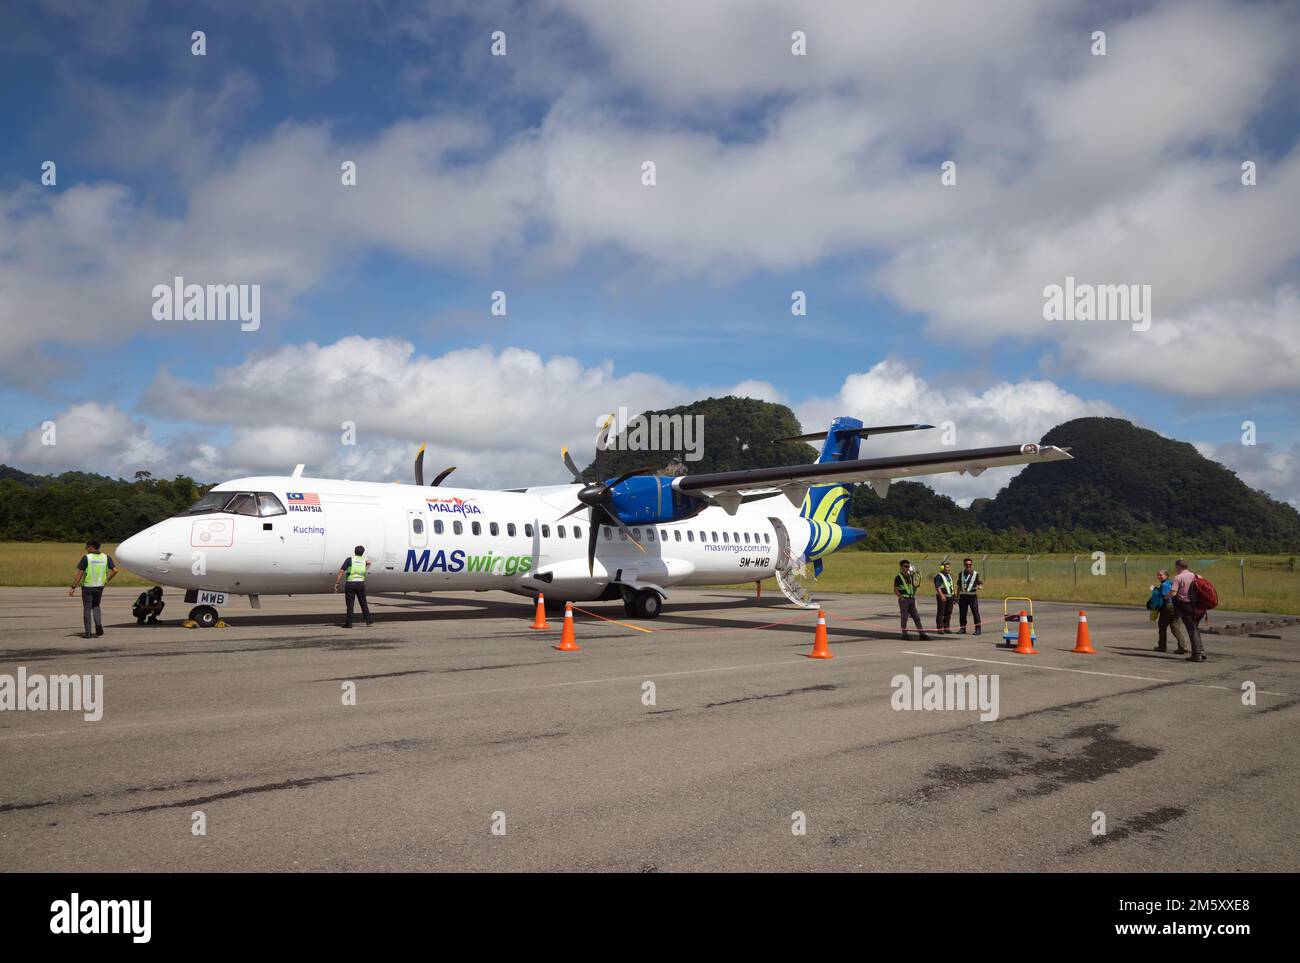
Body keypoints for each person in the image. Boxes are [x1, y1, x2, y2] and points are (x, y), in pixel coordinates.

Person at [69, 540, 118, 639]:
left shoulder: (87, 558)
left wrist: (73, 586)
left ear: (91, 547)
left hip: (88, 587)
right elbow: (115, 570)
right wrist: (106, 580)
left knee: (87, 608)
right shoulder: (106, 557)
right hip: (99, 586)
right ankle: (98, 624)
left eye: (86, 547)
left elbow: (80, 573)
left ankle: (88, 633)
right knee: (96, 606)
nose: (86, 549)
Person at [1170, 559, 1206, 662]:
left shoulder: (1178, 577)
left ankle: (1196, 654)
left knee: (1192, 630)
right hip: (1198, 606)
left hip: (1186, 606)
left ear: (1178, 566)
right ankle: (1201, 651)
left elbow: (1173, 593)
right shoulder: (1196, 576)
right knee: (1195, 628)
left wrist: (1165, 596)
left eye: (1175, 567)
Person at [333, 544, 373, 627]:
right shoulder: (363, 561)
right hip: (361, 583)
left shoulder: (350, 560)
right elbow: (368, 563)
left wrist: (337, 582)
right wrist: (367, 563)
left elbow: (341, 571)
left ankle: (349, 623)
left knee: (350, 603)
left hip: (351, 583)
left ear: (354, 551)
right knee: (363, 602)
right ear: (363, 553)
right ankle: (368, 620)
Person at [1150, 569, 1188, 655]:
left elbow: (1164, 597)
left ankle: (1162, 646)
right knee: (1175, 628)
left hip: (1167, 608)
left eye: (1161, 575)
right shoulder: (1171, 583)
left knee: (1162, 628)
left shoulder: (1164, 584)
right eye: (1158, 575)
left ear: (1166, 576)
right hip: (1176, 608)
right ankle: (1183, 646)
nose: (1159, 576)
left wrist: (1155, 591)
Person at [894, 560, 929, 641]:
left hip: (911, 599)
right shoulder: (898, 577)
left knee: (916, 617)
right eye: (905, 566)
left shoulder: (910, 576)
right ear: (901, 567)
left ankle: (922, 634)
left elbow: (914, 586)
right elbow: (895, 589)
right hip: (904, 600)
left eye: (908, 566)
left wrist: (917, 583)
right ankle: (905, 634)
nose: (907, 568)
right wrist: (901, 597)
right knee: (904, 617)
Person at [957, 557, 983, 635]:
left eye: (970, 564)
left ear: (971, 565)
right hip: (963, 597)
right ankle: (962, 629)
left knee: (975, 613)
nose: (968, 566)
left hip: (972, 597)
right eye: (967, 564)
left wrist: (980, 586)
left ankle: (978, 629)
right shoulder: (961, 574)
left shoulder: (975, 574)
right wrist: (957, 596)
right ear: (964, 565)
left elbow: (980, 583)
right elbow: (958, 586)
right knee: (962, 613)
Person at [933, 561, 955, 634]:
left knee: (948, 612)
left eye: (949, 567)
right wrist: (941, 595)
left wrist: (953, 596)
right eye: (947, 567)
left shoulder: (949, 576)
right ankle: (940, 628)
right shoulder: (939, 576)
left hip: (950, 597)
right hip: (942, 596)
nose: (949, 569)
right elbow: (937, 587)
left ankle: (946, 627)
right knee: (941, 612)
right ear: (942, 568)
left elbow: (951, 586)